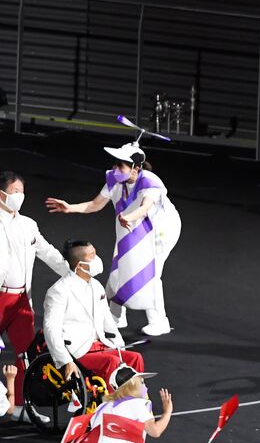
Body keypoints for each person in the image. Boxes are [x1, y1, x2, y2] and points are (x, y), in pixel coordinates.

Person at [46, 141, 182, 336]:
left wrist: (129, 217)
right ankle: (116, 316)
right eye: (115, 164)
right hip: (131, 225)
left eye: (120, 165)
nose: (114, 168)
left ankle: (159, 321)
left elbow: (144, 208)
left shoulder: (150, 182)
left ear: (136, 168)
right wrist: (70, 207)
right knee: (121, 263)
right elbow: (95, 204)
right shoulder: (114, 180)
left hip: (160, 231)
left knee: (150, 272)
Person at [0, 149, 68, 404]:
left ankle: (22, 402)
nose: (19, 197)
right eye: (14, 192)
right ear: (0, 194)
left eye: (22, 192)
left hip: (21, 301)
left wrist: (73, 273)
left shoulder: (28, 224)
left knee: (28, 352)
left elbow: (48, 252)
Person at [43, 240, 146, 388]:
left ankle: (136, 400)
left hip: (101, 345)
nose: (97, 259)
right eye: (92, 256)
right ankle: (113, 406)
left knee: (135, 358)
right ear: (80, 265)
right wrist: (66, 360)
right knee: (113, 363)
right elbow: (51, 329)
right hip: (78, 351)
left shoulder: (96, 286)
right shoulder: (59, 291)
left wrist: (120, 347)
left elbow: (107, 320)